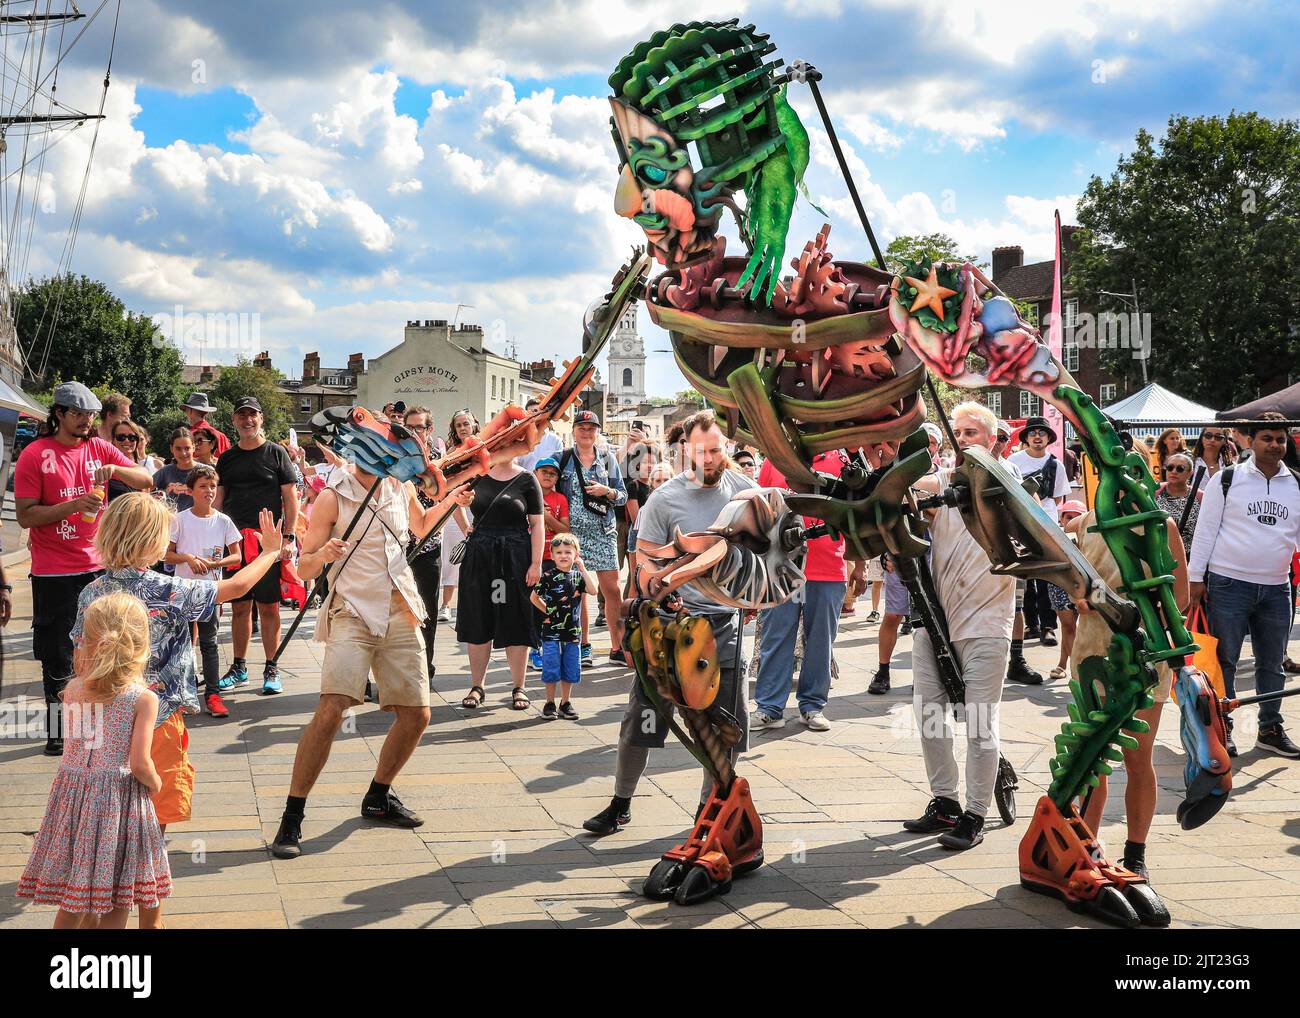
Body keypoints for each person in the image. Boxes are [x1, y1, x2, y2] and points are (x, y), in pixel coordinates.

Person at [73, 493, 282, 927]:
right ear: (151, 541)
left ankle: (101, 911)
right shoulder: (166, 588)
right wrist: (272, 553)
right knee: (151, 835)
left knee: (108, 832)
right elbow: (237, 587)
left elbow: (80, 658)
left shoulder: (91, 591)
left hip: (101, 727)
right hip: (157, 723)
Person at [269, 452, 463, 859]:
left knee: (418, 713)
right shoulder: (331, 498)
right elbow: (303, 568)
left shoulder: (400, 486)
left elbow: (422, 526)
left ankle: (378, 796)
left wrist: (451, 502)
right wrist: (322, 557)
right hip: (352, 610)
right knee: (332, 708)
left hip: (400, 606)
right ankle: (293, 815)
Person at [584, 409, 755, 835]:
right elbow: (641, 563)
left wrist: (756, 594)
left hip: (724, 626)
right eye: (702, 453)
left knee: (730, 727)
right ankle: (620, 803)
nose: (711, 460)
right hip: (669, 627)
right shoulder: (665, 499)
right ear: (685, 451)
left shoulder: (748, 493)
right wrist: (661, 589)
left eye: (717, 450)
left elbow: (767, 554)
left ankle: (708, 810)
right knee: (641, 721)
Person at [903, 402, 1019, 851]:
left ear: (992, 439)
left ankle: (975, 813)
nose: (964, 437)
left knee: (979, 723)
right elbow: (907, 487)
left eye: (972, 430)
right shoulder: (944, 483)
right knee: (928, 715)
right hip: (936, 618)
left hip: (987, 622)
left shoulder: (1009, 484)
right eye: (957, 431)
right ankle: (945, 800)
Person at [13, 382, 152, 755]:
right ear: (58, 413)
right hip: (53, 570)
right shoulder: (35, 454)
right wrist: (74, 505)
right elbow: (25, 516)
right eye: (78, 415)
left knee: (105, 647)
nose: (85, 422)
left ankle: (99, 726)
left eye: (91, 416)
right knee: (56, 652)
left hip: (98, 566)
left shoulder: (98, 447)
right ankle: (59, 732)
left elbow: (147, 480)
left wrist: (114, 468)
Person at [17, 592, 170, 928]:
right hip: (118, 803)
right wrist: (157, 783)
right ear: (141, 643)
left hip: (73, 798)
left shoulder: (72, 690)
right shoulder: (142, 698)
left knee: (76, 894)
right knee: (117, 896)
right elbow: (140, 762)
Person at [1067, 504, 1188, 883]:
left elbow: (1180, 598)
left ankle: (1135, 854)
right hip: (1090, 651)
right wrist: (1077, 597)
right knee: (1091, 763)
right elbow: (1067, 579)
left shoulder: (1160, 525)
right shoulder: (1082, 523)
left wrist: (1140, 613)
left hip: (1145, 657)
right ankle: (1086, 850)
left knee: (1138, 759)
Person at [1188, 414, 1300, 757]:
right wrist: (1195, 579)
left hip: (1277, 587)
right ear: (1250, 441)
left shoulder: (1296, 483)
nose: (1275, 445)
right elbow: (1205, 531)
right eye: (1267, 438)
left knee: (1272, 663)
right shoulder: (1228, 479)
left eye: (1280, 439)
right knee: (1225, 661)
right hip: (1228, 583)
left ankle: (1270, 727)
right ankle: (1224, 729)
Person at [750, 450, 848, 733]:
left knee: (821, 640)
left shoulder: (841, 461)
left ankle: (813, 705)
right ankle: (769, 707)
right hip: (781, 566)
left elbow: (853, 514)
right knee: (776, 635)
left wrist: (858, 566)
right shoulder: (774, 459)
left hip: (828, 565)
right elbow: (761, 512)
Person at [213, 396, 300, 695]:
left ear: (261, 418)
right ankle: (239, 667)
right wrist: (211, 536)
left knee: (269, 607)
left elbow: (291, 498)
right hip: (234, 542)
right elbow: (218, 500)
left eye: (252, 415)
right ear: (234, 420)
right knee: (239, 606)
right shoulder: (226, 458)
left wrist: (288, 538)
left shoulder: (276, 453)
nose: (247, 420)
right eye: (241, 415)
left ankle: (271, 666)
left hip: (268, 542)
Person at [456, 456, 545, 711]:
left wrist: (536, 564)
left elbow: (537, 524)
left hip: (516, 554)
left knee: (516, 617)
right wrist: (466, 529)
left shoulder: (528, 479)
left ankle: (519, 687)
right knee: (478, 617)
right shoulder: (477, 474)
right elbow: (454, 502)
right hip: (480, 553)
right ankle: (477, 686)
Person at [166, 464, 243, 718]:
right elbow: (166, 554)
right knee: (182, 644)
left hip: (210, 591)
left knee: (209, 643)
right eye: (202, 486)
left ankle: (212, 694)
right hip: (183, 591)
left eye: (212, 486)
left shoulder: (223, 521)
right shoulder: (180, 520)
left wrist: (214, 564)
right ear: (190, 491)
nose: (209, 491)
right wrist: (188, 558)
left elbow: (237, 557)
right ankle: (182, 694)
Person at [557, 410, 628, 667]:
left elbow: (622, 494)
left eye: (591, 428)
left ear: (598, 432)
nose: (587, 432)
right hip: (573, 536)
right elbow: (542, 483)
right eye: (582, 427)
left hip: (604, 532)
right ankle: (583, 646)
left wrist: (606, 491)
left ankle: (617, 646)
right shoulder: (562, 458)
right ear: (574, 430)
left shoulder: (608, 460)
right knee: (578, 591)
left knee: (613, 589)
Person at [1009, 416, 1070, 646]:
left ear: (1048, 438)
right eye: (1033, 432)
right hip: (1020, 522)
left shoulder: (1056, 465)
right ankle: (1031, 624)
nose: (1037, 436)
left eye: (1041, 433)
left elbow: (1057, 497)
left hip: (1047, 523)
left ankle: (1048, 626)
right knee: (1026, 576)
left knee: (1046, 577)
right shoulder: (1014, 461)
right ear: (1026, 437)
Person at [531, 533, 596, 720]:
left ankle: (565, 702)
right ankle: (549, 702)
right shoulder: (548, 576)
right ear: (552, 555)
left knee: (570, 667)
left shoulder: (578, 577)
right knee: (551, 666)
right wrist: (548, 612)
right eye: (558, 552)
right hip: (551, 632)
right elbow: (534, 597)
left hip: (572, 632)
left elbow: (593, 590)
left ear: (576, 554)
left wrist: (583, 568)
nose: (563, 555)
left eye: (568, 552)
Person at [402, 405, 444, 685]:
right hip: (398, 545)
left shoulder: (441, 460)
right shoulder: (396, 459)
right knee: (400, 613)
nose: (414, 432)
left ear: (429, 430)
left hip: (429, 546)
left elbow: (447, 496)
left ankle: (424, 667)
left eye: (420, 427)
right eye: (410, 427)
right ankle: (400, 670)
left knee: (427, 611)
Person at [437, 409, 480, 623]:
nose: (463, 428)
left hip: (480, 507)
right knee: (452, 558)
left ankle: (472, 604)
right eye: (459, 425)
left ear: (474, 424)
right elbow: (447, 489)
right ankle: (445, 605)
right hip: (456, 509)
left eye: (466, 423)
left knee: (477, 561)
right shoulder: (452, 453)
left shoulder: (484, 447)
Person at [1047, 499, 1087, 681]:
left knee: (1070, 627)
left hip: (1080, 584)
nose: (1071, 521)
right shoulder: (1052, 534)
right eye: (1068, 516)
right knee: (1069, 626)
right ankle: (1078, 671)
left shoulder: (1087, 536)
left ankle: (1063, 664)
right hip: (1059, 583)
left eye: (1076, 518)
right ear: (1062, 518)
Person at [1154, 451, 1202, 548]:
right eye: (1170, 468)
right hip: (1161, 552)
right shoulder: (1155, 491)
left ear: (1190, 473)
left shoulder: (1200, 497)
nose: (1174, 471)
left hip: (1191, 553)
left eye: (1180, 469)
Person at [106, 420, 154, 503]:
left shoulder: (141, 471)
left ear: (137, 440)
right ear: (113, 440)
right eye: (121, 437)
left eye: (132, 437)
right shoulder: (106, 467)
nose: (127, 441)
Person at [153, 427, 198, 513]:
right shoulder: (166, 471)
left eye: (187, 448)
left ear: (194, 447)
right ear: (171, 448)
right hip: (172, 522)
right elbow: (146, 488)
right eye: (178, 449)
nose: (183, 453)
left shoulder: (205, 471)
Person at [515, 397, 564, 472]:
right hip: (523, 481)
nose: (535, 416)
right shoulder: (519, 439)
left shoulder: (555, 440)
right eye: (531, 412)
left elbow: (560, 465)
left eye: (537, 412)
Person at [181, 392, 231, 456]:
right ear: (206, 413)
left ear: (190, 410)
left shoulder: (189, 435)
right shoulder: (222, 437)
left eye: (186, 410)